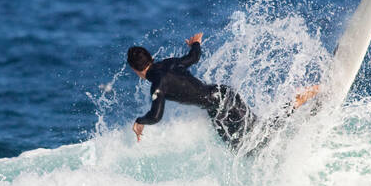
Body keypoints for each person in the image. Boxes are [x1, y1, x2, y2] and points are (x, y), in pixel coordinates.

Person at [128, 33, 318, 148]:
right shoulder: (167, 63)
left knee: (259, 136)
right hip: (219, 103)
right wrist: (195, 43)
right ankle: (299, 117)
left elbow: (156, 116)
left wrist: (139, 121)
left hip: (224, 103)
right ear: (151, 57)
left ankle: (299, 99)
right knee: (240, 148)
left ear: (135, 70)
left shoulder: (158, 85)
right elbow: (193, 58)